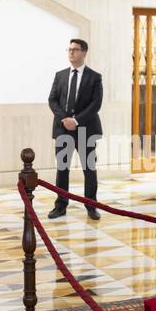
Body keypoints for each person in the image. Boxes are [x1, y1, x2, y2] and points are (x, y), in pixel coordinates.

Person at [46, 38, 102, 219]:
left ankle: (91, 206)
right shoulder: (60, 75)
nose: (71, 53)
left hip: (86, 130)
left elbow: (96, 104)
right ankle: (60, 206)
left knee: (89, 169)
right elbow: (52, 100)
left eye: (75, 50)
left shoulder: (94, 77)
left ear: (84, 52)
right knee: (62, 169)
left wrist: (76, 121)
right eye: (69, 49)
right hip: (63, 130)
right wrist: (65, 119)